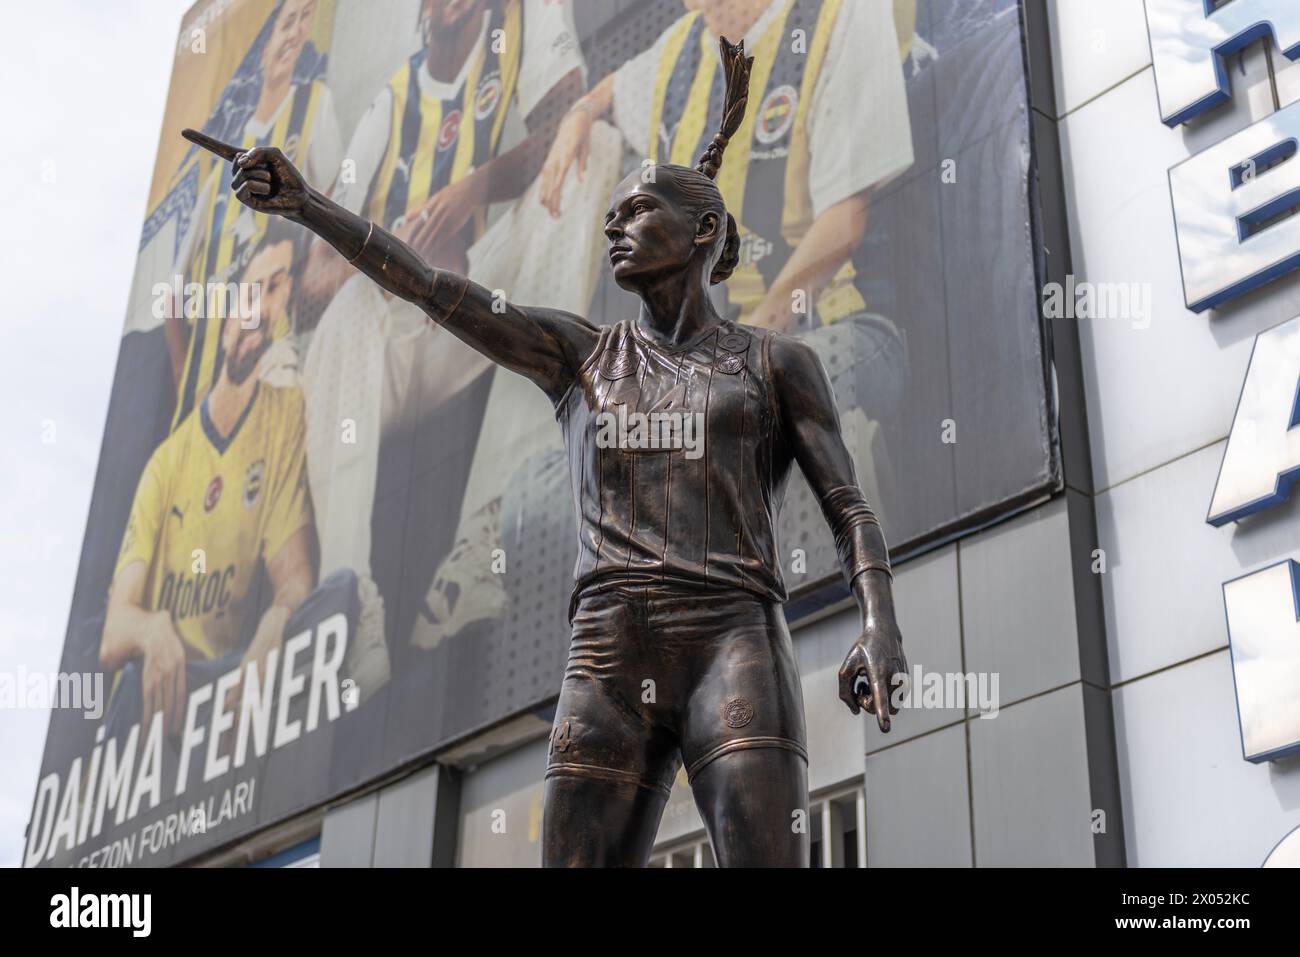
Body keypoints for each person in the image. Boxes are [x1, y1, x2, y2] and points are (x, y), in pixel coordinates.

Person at [187, 33, 908, 867]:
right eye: (613, 216)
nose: (615, 226)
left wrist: (880, 624)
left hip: (734, 637)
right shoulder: (581, 357)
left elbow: (848, 508)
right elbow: (429, 286)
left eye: (637, 211)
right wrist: (306, 204)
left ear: (704, 228)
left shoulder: (776, 363)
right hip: (608, 651)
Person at [293, 0, 614, 659]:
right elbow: (311, 284)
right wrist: (382, 252)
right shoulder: (391, 104)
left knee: (593, 149)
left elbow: (566, 114)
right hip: (390, 346)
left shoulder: (523, 20)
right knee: (351, 308)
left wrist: (471, 191)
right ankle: (349, 609)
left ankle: (482, 541)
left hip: (472, 311)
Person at [100, 224, 376, 748]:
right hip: (163, 696)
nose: (259, 309)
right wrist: (153, 631)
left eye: (275, 290)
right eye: (252, 291)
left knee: (338, 594)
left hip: (233, 679)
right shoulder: (167, 462)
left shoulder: (285, 415)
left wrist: (274, 623)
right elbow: (114, 633)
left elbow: (294, 577)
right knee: (134, 680)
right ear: (228, 313)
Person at [165, 0, 342, 429]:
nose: (297, 32)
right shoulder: (220, 169)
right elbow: (173, 294)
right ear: (262, 47)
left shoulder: (313, 106)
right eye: (287, 23)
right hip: (206, 386)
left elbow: (337, 217)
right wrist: (187, 375)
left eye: (305, 19)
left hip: (271, 362)